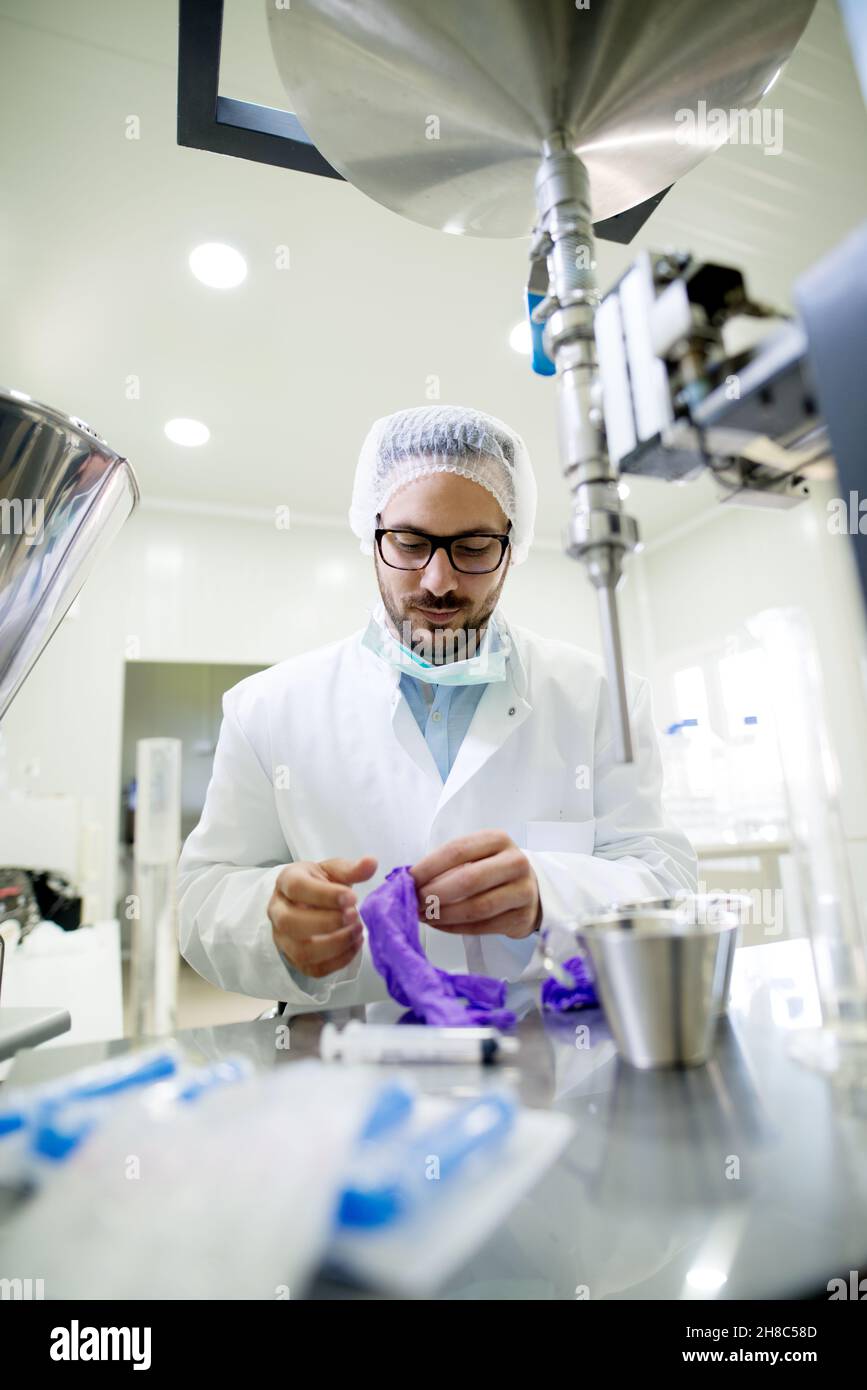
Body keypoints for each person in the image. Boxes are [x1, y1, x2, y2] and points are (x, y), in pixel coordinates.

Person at [177, 404, 696, 1009]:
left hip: (539, 1055)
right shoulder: (266, 708)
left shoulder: (601, 697)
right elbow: (203, 897)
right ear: (371, 536)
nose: (438, 582)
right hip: (344, 1062)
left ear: (514, 545)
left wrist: (548, 893)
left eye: (474, 547)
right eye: (410, 542)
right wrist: (271, 920)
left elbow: (664, 878)